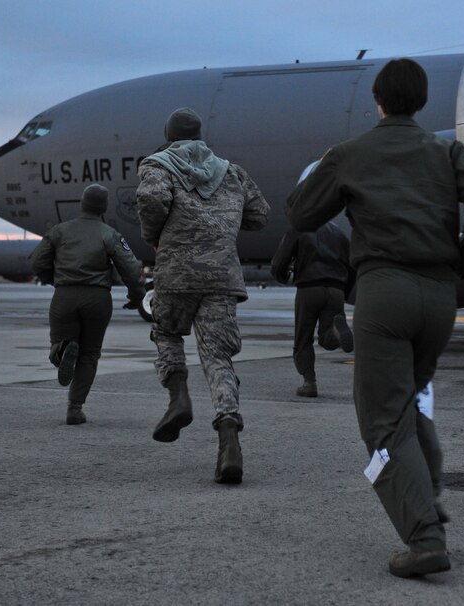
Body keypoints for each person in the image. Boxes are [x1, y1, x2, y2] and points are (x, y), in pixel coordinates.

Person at [286, 59, 464, 578]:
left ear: (378, 101)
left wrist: (324, 166)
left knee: (383, 424)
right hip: (439, 295)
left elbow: (299, 215)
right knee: (410, 402)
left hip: (384, 293)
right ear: (422, 102)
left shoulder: (350, 154)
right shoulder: (447, 150)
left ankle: (424, 538)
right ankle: (427, 497)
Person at [136, 107, 270, 484]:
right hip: (222, 277)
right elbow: (260, 216)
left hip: (176, 273)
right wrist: (223, 220)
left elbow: (151, 201)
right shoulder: (231, 171)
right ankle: (229, 441)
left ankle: (178, 398)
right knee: (218, 357)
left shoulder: (157, 165)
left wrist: (155, 236)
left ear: (169, 133)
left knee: (166, 332)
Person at [30, 184, 146, 425]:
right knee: (90, 354)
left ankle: (62, 352)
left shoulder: (59, 231)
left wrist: (53, 280)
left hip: (65, 295)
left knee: (60, 343)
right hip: (97, 298)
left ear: (81, 203)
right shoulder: (110, 234)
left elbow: (38, 261)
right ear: (104, 207)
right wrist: (136, 296)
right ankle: (75, 408)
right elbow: (131, 268)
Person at [270, 221, 354, 398]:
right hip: (335, 289)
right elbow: (351, 267)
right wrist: (344, 293)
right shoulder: (340, 233)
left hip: (309, 288)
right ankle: (337, 333)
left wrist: (283, 276)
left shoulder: (299, 228)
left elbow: (279, 263)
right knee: (326, 338)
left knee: (303, 338)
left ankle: (309, 383)